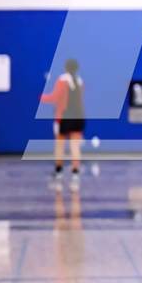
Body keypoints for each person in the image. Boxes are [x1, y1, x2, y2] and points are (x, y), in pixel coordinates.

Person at [40, 58, 85, 188]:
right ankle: (75, 173)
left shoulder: (62, 80)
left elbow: (55, 97)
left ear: (65, 68)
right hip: (78, 116)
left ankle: (59, 171)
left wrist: (41, 97)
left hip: (65, 117)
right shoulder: (80, 81)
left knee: (60, 145)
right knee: (75, 146)